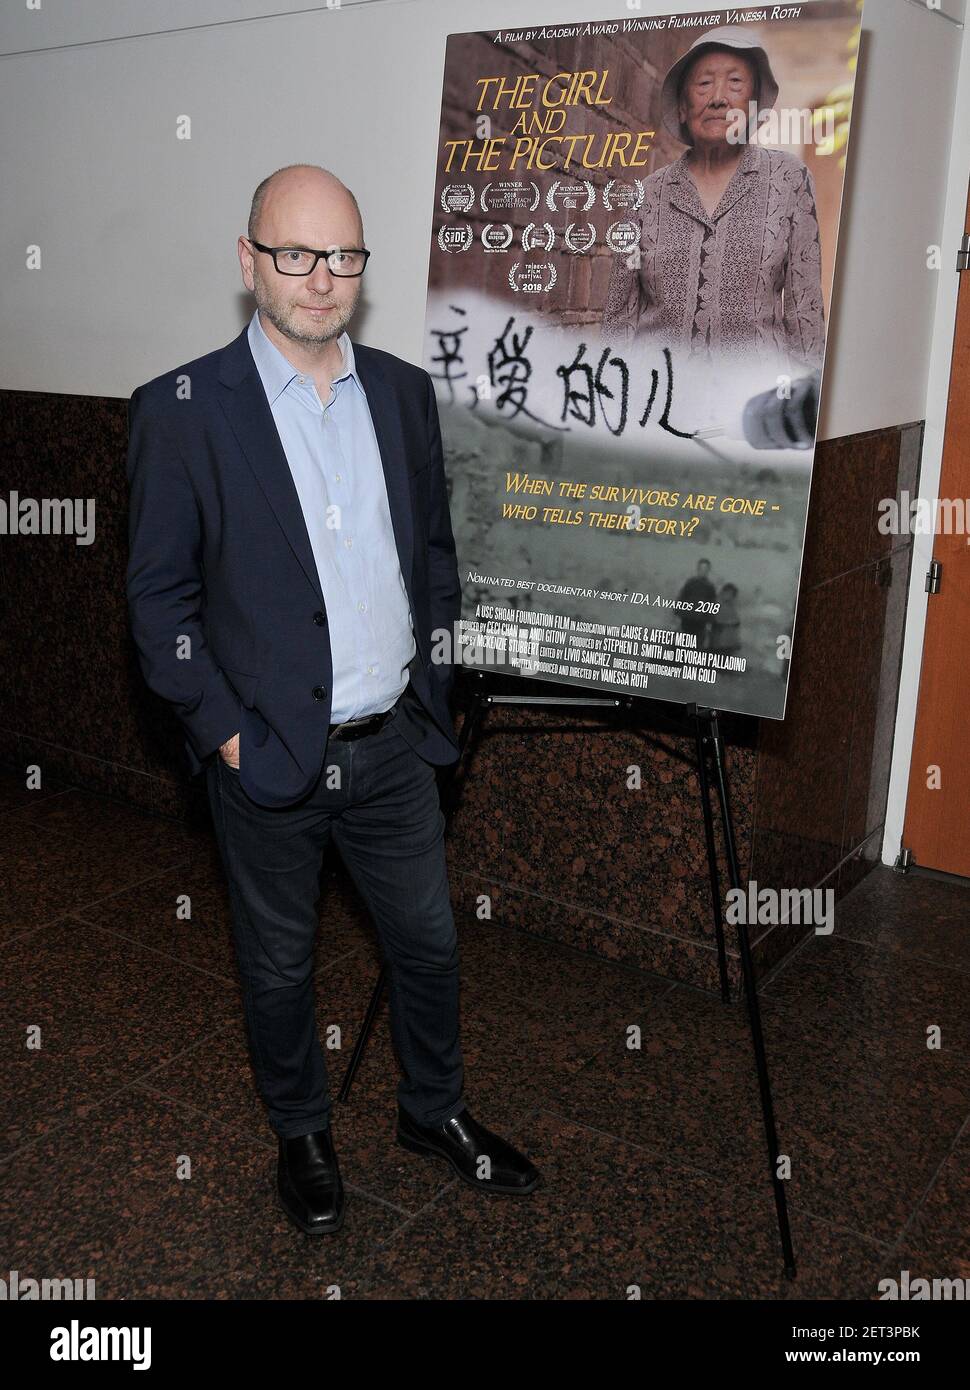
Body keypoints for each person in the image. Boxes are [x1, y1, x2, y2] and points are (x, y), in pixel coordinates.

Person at [125, 164, 540, 1237]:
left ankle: (432, 1112)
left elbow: (433, 557)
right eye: (296, 254)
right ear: (247, 258)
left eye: (343, 255)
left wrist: (437, 687)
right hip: (264, 756)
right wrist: (220, 733)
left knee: (430, 946)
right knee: (277, 965)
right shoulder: (181, 412)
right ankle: (302, 1132)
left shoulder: (402, 393)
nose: (321, 278)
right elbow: (158, 598)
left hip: (395, 744)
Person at [601, 26, 825, 381]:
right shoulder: (646, 195)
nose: (718, 98)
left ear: (753, 106)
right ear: (683, 107)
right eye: (703, 84)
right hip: (658, 408)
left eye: (735, 83)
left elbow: (805, 316)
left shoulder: (789, 180)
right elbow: (619, 320)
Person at [677, 558, 717, 650]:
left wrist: (709, 622)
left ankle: (690, 663)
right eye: (701, 569)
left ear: (708, 571)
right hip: (687, 619)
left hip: (700, 622)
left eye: (706, 569)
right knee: (683, 645)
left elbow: (712, 604)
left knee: (697, 646)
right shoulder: (690, 583)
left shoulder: (710, 587)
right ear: (698, 569)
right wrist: (678, 615)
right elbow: (682, 598)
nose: (703, 572)